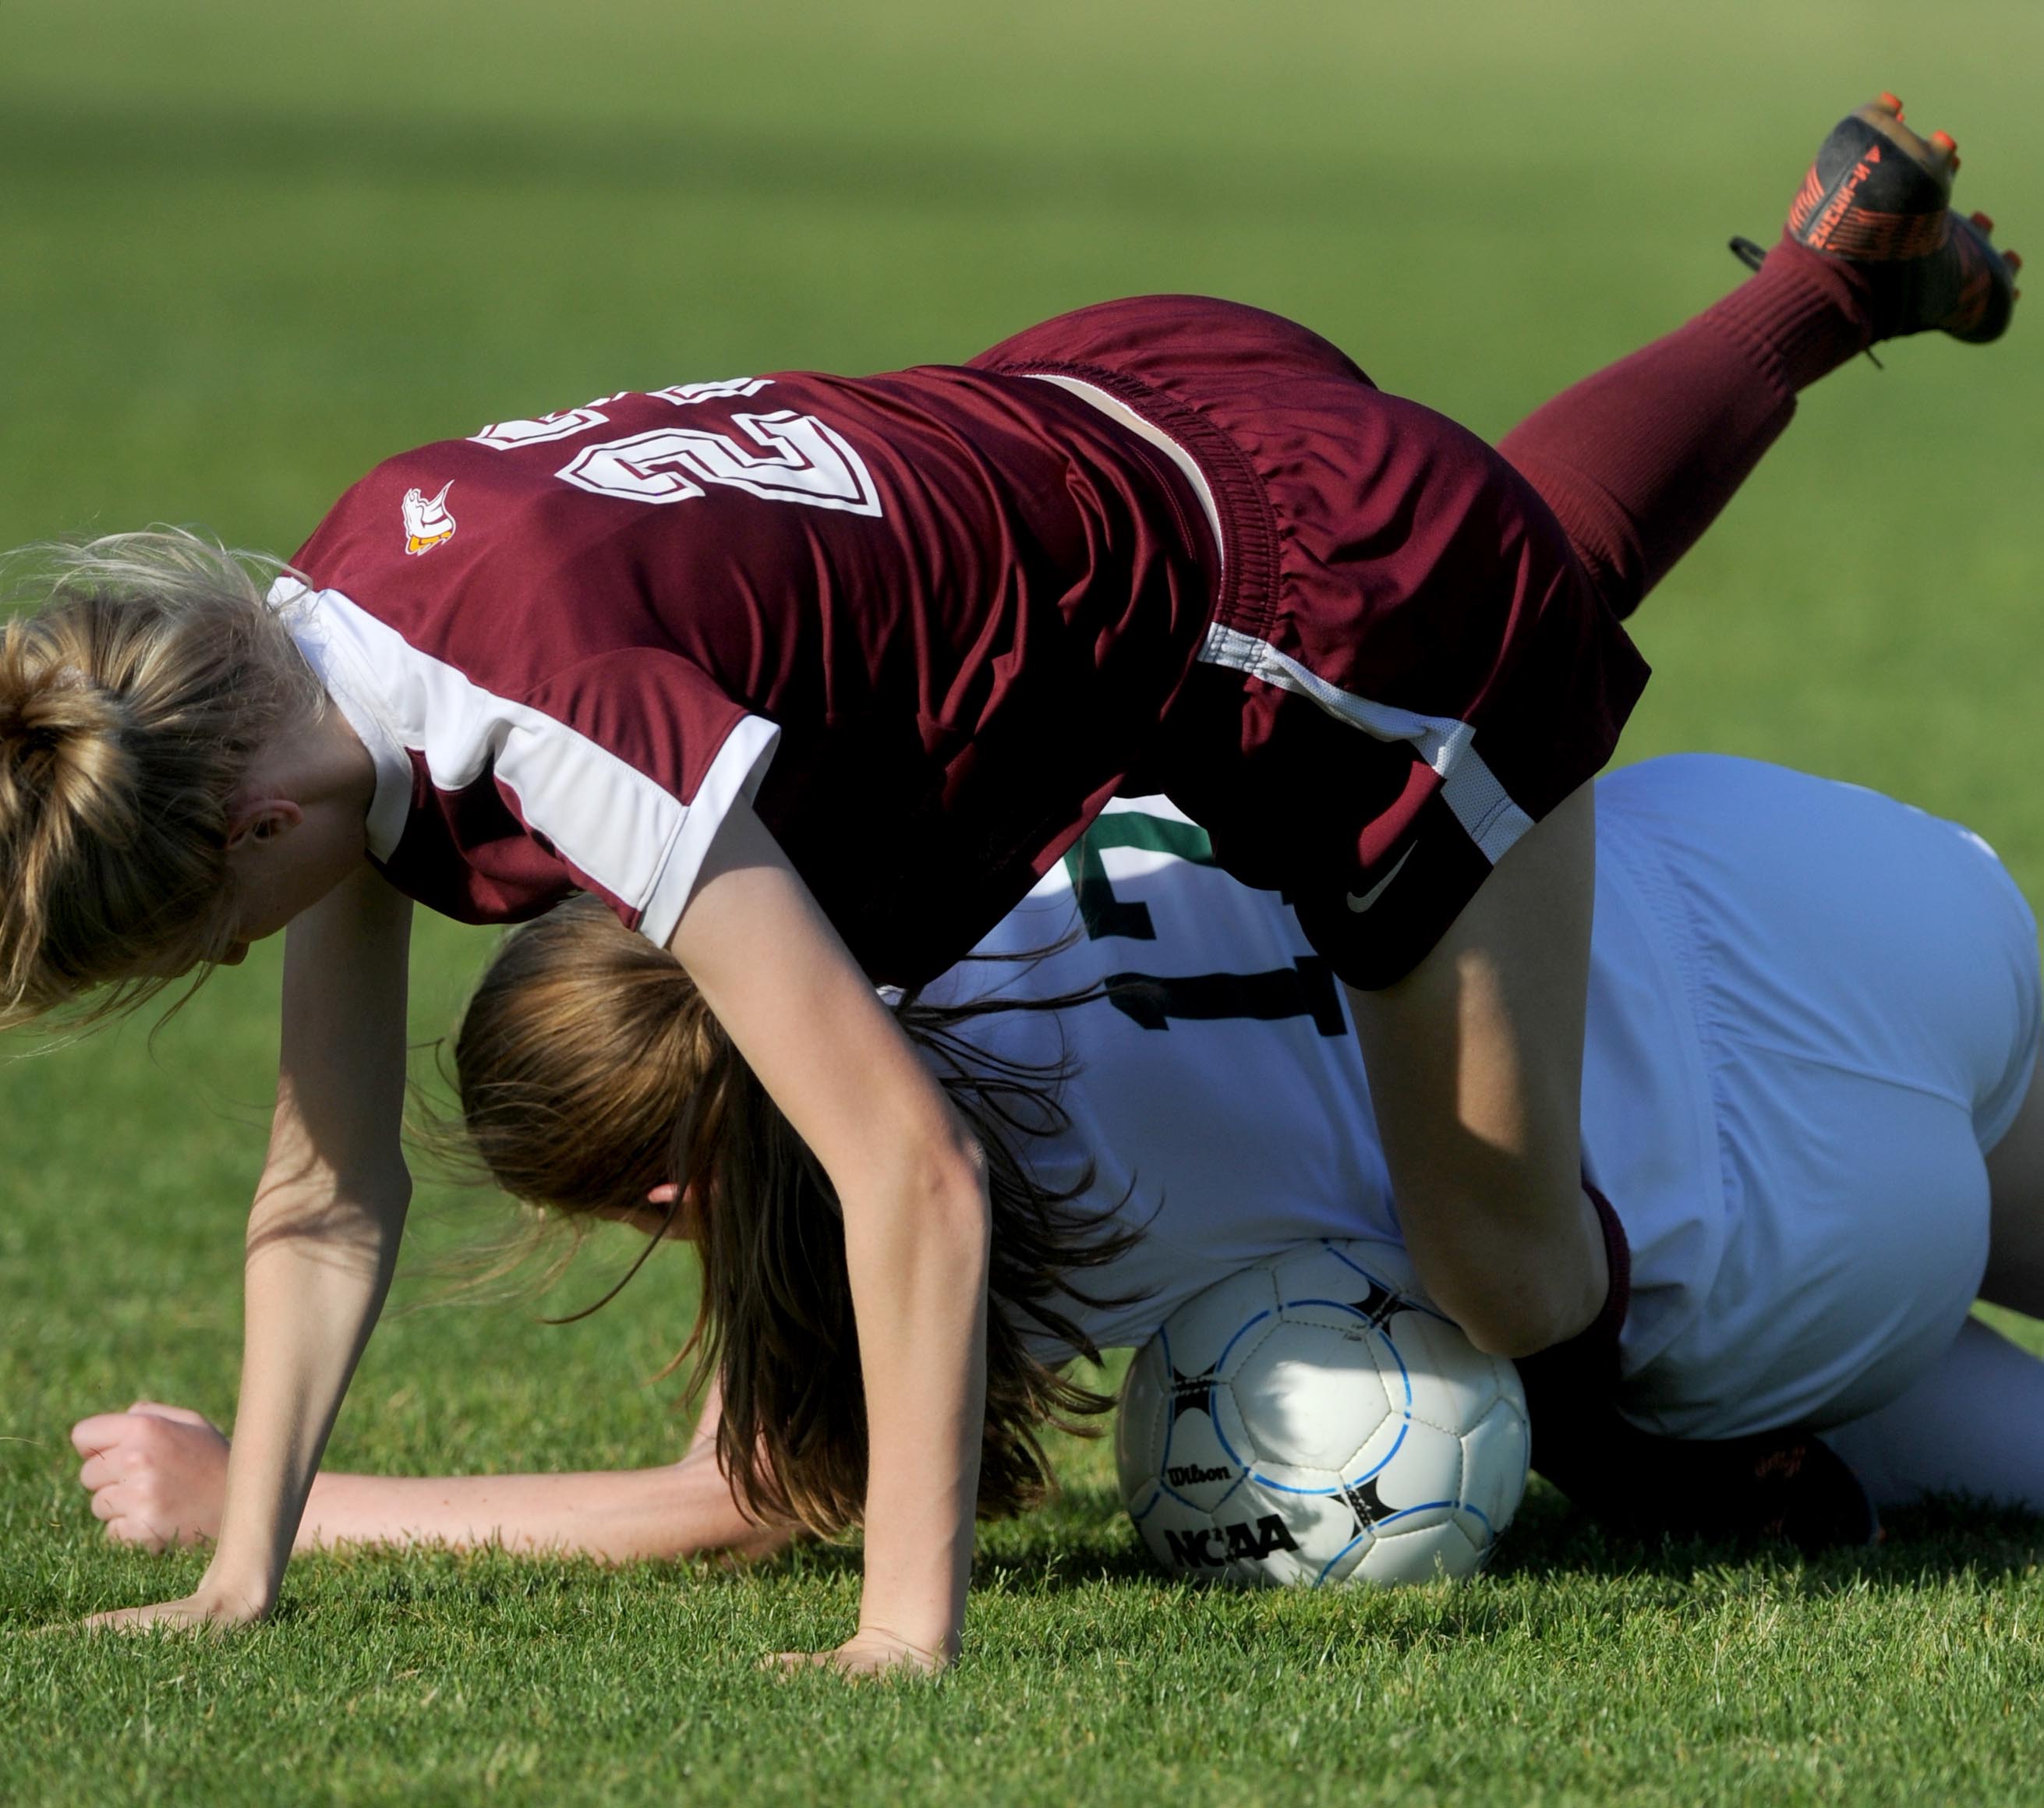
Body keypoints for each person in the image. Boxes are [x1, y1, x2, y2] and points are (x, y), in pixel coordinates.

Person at [9, 97, 2017, 1667]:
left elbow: (908, 1171)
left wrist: (906, 1623)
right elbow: (321, 1175)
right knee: (1492, 568)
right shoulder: (336, 614)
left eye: (202, 939)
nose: (241, 963)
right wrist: (240, 1568)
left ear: (245, 833)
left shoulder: (550, 723)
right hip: (1122, 395)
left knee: (1505, 1253)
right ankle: (1820, 293)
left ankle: (1694, 1455)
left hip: (1266, 580)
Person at [73, 755, 2044, 1565]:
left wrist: (268, 1493)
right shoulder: (937, 779)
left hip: (1751, 1227)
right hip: (1809, 879)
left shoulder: (958, 1206)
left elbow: (741, 1494)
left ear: (673, 1192)